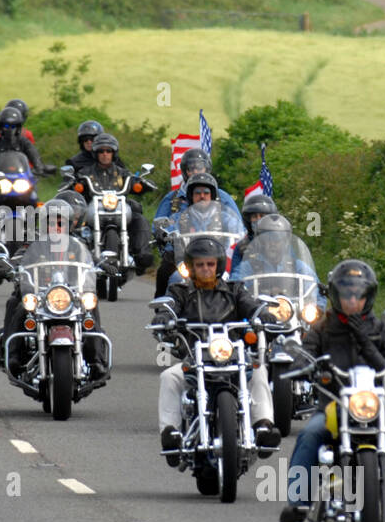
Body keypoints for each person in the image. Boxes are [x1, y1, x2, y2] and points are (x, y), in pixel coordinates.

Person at [279, 260, 385, 522]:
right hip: (332, 406)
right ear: (336, 295)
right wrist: (304, 367)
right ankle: (298, 504)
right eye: (346, 294)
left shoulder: (382, 328)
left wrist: (366, 340)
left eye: (358, 294)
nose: (352, 299)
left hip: (374, 406)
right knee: (309, 434)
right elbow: (303, 355)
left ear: (368, 296)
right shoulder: (322, 327)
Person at [157, 235, 281, 465]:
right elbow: (169, 307)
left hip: (232, 355)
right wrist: (165, 316)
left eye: (210, 264)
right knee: (169, 377)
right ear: (192, 267)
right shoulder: (180, 291)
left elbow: (250, 305)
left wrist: (261, 314)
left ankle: (263, 426)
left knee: (259, 370)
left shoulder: (235, 289)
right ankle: (170, 434)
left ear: (218, 265)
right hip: (197, 357)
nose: (205, 269)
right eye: (200, 264)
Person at [0, 197, 108, 380]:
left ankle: (97, 361)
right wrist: (6, 266)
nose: (55, 228)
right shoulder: (33, 244)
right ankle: (13, 355)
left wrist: (105, 263)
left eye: (60, 223)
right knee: (17, 303)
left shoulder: (78, 245)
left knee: (90, 306)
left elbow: (93, 260)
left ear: (70, 225)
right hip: (40, 295)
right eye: (51, 223)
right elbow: (19, 258)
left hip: (71, 295)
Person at [154, 149, 245, 296]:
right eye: (197, 193)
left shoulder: (224, 210)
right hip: (186, 257)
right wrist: (163, 232)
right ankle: (165, 310)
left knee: (239, 282)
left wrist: (244, 237)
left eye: (206, 193)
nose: (202, 197)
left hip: (219, 257)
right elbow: (163, 225)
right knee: (171, 276)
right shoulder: (181, 214)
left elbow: (239, 227)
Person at [84, 133, 153, 272]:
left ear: (113, 153)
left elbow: (133, 181)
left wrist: (141, 184)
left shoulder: (122, 173)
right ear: (96, 153)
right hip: (94, 210)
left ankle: (142, 254)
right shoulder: (85, 173)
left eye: (108, 151)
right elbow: (75, 183)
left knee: (139, 218)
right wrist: (75, 184)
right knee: (75, 221)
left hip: (118, 209)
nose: (105, 154)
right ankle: (73, 256)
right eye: (101, 151)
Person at [0, 107, 47, 174]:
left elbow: (33, 154)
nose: (10, 129)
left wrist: (39, 167)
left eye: (13, 126)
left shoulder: (24, 142)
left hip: (22, 177)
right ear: (1, 127)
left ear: (18, 128)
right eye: (6, 126)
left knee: (33, 184)